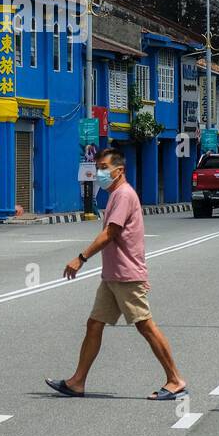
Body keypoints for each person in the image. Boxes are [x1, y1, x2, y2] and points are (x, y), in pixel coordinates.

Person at [45, 147, 187, 400]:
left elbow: (111, 233)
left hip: (126, 275)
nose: (99, 173)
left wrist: (81, 258)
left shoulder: (123, 195)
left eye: (103, 168)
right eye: (97, 168)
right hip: (113, 276)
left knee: (146, 326)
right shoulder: (114, 194)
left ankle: (175, 379)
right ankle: (77, 381)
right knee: (94, 324)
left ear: (119, 171)